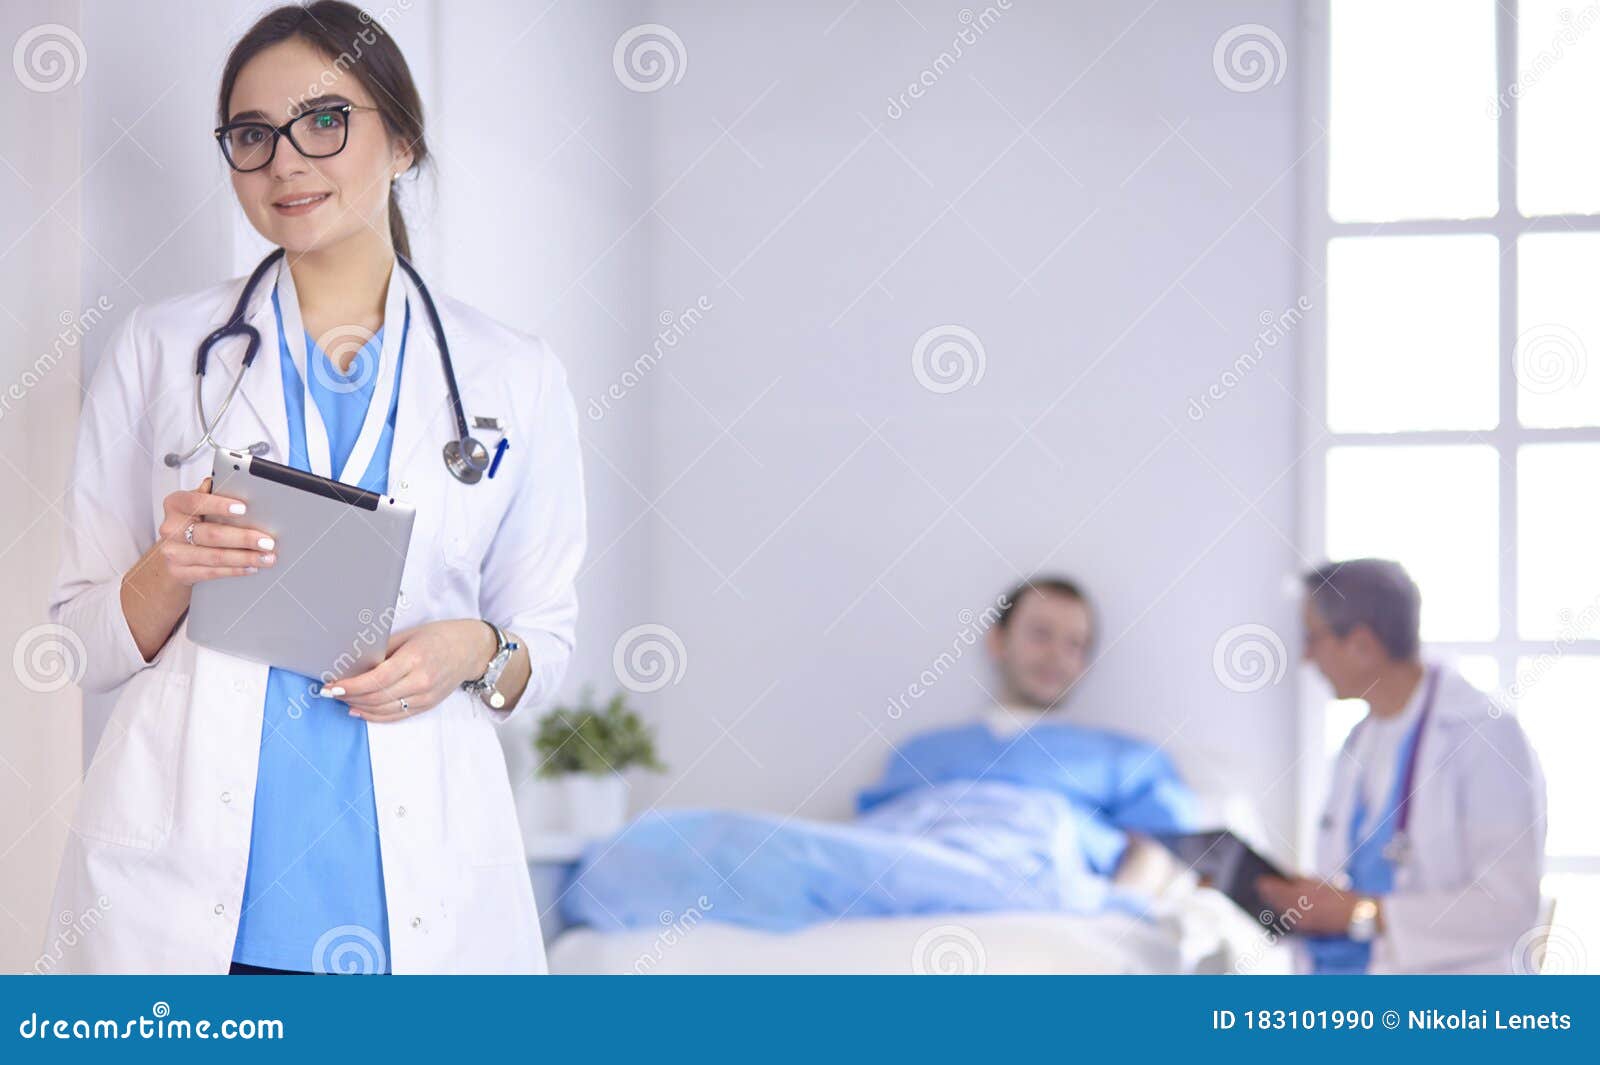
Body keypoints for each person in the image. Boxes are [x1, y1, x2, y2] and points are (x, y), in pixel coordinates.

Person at [43, 1, 585, 974]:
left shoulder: (513, 374)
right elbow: (80, 644)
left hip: (420, 905)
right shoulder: (161, 350)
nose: (285, 161)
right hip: (186, 901)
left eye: (324, 121)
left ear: (403, 142)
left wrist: (472, 648)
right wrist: (171, 567)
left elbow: (541, 644)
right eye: (253, 135)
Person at [1257, 559, 1546, 974]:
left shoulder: (1484, 735)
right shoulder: (1363, 737)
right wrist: (1305, 902)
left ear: (1361, 644)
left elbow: (1509, 906)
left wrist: (1361, 913)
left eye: (1313, 638)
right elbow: (1354, 879)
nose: (1306, 657)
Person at [860, 576, 1197, 889]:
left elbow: (1159, 852)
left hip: (1038, 880)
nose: (1056, 655)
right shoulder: (922, 751)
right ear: (998, 641)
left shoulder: (1127, 758)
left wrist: (1117, 910)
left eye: (1074, 645)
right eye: (1040, 634)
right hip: (915, 872)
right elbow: (877, 838)